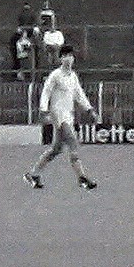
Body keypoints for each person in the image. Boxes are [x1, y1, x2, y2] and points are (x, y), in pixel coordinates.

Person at [27, 43, 98, 191]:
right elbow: (46, 92)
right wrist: (43, 110)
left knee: (56, 149)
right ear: (60, 58)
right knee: (72, 141)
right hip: (58, 114)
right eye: (65, 56)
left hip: (68, 114)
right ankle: (81, 177)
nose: (68, 59)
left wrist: (89, 109)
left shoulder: (73, 76)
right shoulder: (55, 75)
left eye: (70, 56)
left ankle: (33, 174)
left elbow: (79, 94)